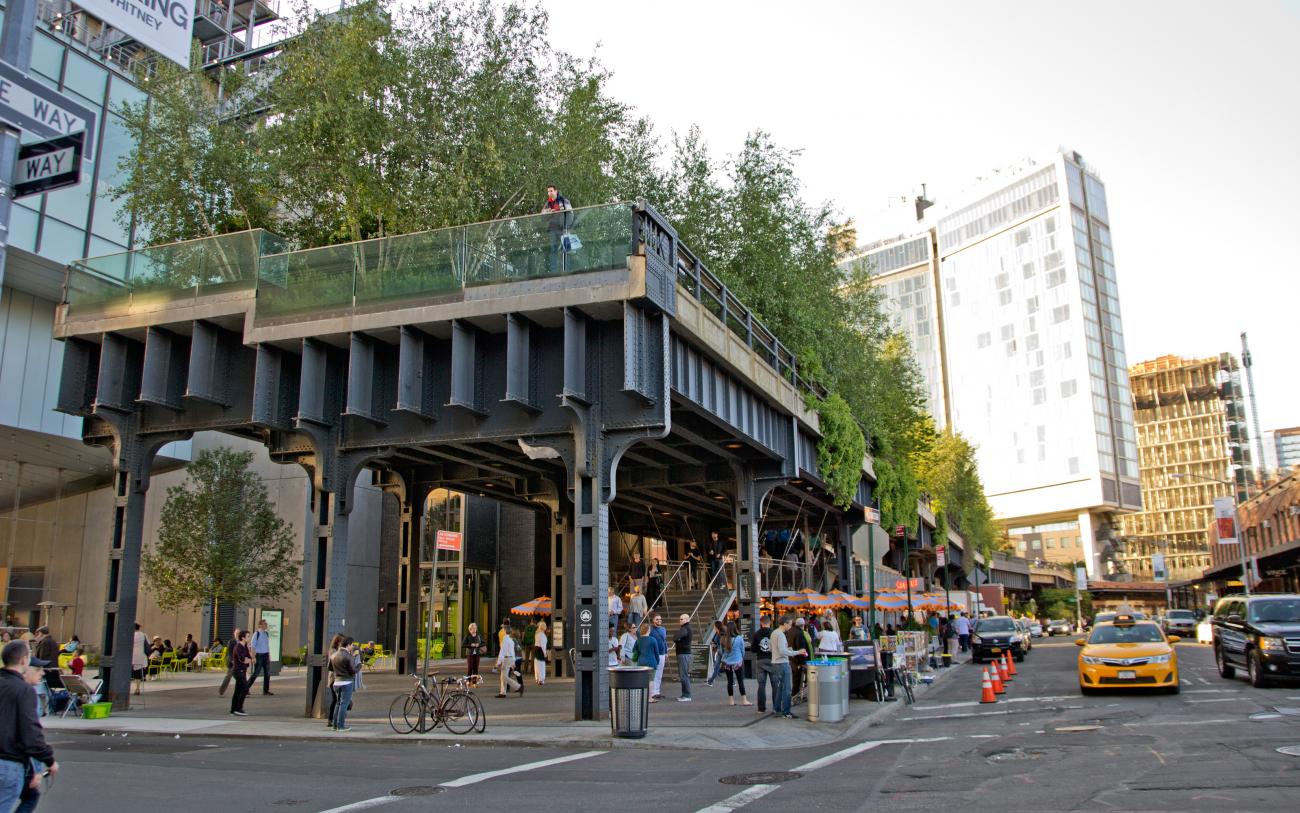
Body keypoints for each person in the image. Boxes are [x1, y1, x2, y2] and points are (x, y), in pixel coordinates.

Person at [1, 641, 58, 813]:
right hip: (9, 763)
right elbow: (30, 733)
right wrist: (48, 760)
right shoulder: (24, 691)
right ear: (24, 660)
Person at [770, 615, 804, 719]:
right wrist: (797, 652)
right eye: (789, 624)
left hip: (775, 663)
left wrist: (787, 649)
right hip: (782, 663)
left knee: (780, 688)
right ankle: (786, 712)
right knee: (787, 689)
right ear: (785, 624)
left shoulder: (774, 633)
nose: (790, 626)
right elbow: (782, 651)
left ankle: (777, 709)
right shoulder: (780, 635)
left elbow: (772, 649)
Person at [540, 184, 573, 273]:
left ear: (556, 191)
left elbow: (570, 214)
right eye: (548, 191)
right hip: (552, 230)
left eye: (551, 191)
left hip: (563, 229)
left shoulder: (564, 201)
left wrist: (567, 226)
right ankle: (553, 271)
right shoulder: (547, 204)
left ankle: (567, 270)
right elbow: (542, 217)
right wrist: (549, 212)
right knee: (553, 249)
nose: (549, 193)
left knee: (566, 248)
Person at [329, 636, 357, 732]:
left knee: (338, 703)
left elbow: (330, 668)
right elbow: (353, 671)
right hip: (346, 682)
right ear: (348, 645)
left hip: (336, 682)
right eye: (352, 645)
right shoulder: (348, 656)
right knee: (344, 704)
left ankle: (335, 725)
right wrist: (359, 667)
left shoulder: (334, 655)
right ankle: (340, 726)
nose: (352, 647)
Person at [720, 621, 750, 706]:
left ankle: (731, 701)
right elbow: (743, 651)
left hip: (727, 663)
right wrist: (740, 657)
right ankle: (744, 700)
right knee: (740, 681)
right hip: (737, 662)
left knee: (729, 681)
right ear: (735, 628)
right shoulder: (739, 638)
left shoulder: (723, 638)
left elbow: (721, 651)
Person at [751, 615, 775, 714]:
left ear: (761, 623)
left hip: (760, 660)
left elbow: (753, 649)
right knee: (775, 685)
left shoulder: (756, 634)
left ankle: (761, 708)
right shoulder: (774, 633)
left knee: (761, 685)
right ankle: (776, 707)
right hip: (772, 660)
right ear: (770, 622)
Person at [788, 617, 814, 698]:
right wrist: (803, 661)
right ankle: (795, 696)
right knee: (798, 679)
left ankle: (795, 694)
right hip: (798, 660)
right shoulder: (800, 633)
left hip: (792, 658)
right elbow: (801, 648)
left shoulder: (790, 631)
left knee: (795, 678)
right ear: (803, 625)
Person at [229, 630, 252, 716]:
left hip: (243, 671)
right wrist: (249, 660)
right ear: (243, 637)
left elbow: (250, 658)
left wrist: (250, 651)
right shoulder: (238, 647)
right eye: (248, 636)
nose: (249, 638)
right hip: (238, 671)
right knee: (245, 688)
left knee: (238, 690)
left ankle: (233, 710)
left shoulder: (245, 646)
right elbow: (243, 660)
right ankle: (238, 708)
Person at [495, 623, 522, 698]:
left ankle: (518, 686)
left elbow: (502, 651)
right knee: (503, 676)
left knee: (504, 677)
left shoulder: (505, 639)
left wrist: (499, 662)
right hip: (510, 658)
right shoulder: (511, 639)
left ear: (505, 631)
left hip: (506, 659)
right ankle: (503, 692)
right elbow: (512, 651)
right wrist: (513, 661)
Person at [325, 634, 345, 727]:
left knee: (337, 699)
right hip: (334, 678)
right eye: (342, 641)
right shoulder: (333, 651)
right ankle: (331, 719)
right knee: (335, 700)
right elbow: (334, 663)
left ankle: (334, 719)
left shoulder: (338, 650)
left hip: (338, 678)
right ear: (338, 642)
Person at [250, 619, 273, 695]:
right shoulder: (256, 634)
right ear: (260, 625)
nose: (265, 625)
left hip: (266, 655)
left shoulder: (266, 633)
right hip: (259, 656)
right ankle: (245, 688)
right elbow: (252, 647)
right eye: (264, 624)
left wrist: (269, 655)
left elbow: (267, 645)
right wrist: (253, 657)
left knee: (267, 674)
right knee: (256, 673)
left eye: (266, 624)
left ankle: (265, 691)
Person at [674, 614, 692, 703]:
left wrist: (677, 639)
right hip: (684, 653)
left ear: (686, 619)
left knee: (683, 675)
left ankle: (687, 695)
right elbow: (677, 637)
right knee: (683, 674)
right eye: (679, 619)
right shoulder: (686, 628)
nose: (680, 621)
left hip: (683, 653)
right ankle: (685, 694)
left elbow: (675, 637)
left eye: (681, 619)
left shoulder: (685, 628)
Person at [649, 614, 668, 700]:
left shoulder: (663, 629)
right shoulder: (650, 630)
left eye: (660, 619)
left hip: (662, 654)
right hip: (654, 654)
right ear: (653, 620)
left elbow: (665, 641)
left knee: (660, 673)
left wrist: (666, 652)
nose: (659, 620)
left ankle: (657, 691)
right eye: (657, 619)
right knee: (654, 673)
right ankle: (652, 692)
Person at [218, 629, 241, 696]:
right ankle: (221, 691)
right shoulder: (231, 641)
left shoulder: (241, 641)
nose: (237, 634)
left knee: (241, 677)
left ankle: (244, 690)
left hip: (239, 662)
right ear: (234, 633)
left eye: (239, 633)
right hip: (232, 662)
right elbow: (230, 652)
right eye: (236, 633)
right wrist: (232, 660)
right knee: (228, 677)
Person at [705, 620, 725, 687]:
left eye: (714, 626)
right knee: (717, 667)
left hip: (722, 652)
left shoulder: (720, 634)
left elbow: (719, 644)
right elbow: (717, 643)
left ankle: (733, 682)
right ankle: (710, 681)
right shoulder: (719, 633)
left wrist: (714, 644)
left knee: (727, 666)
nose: (713, 627)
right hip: (720, 652)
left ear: (716, 626)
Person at [132, 623, 148, 695]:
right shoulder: (144, 635)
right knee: (138, 673)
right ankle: (137, 689)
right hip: (141, 656)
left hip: (131, 656)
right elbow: (148, 645)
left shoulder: (131, 635)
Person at [533, 620, 548, 686]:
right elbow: (543, 645)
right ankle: (541, 679)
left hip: (536, 649)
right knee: (541, 665)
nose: (546, 627)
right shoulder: (542, 635)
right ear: (543, 627)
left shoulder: (537, 633)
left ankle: (537, 678)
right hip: (540, 650)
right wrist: (545, 653)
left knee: (536, 664)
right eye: (545, 626)